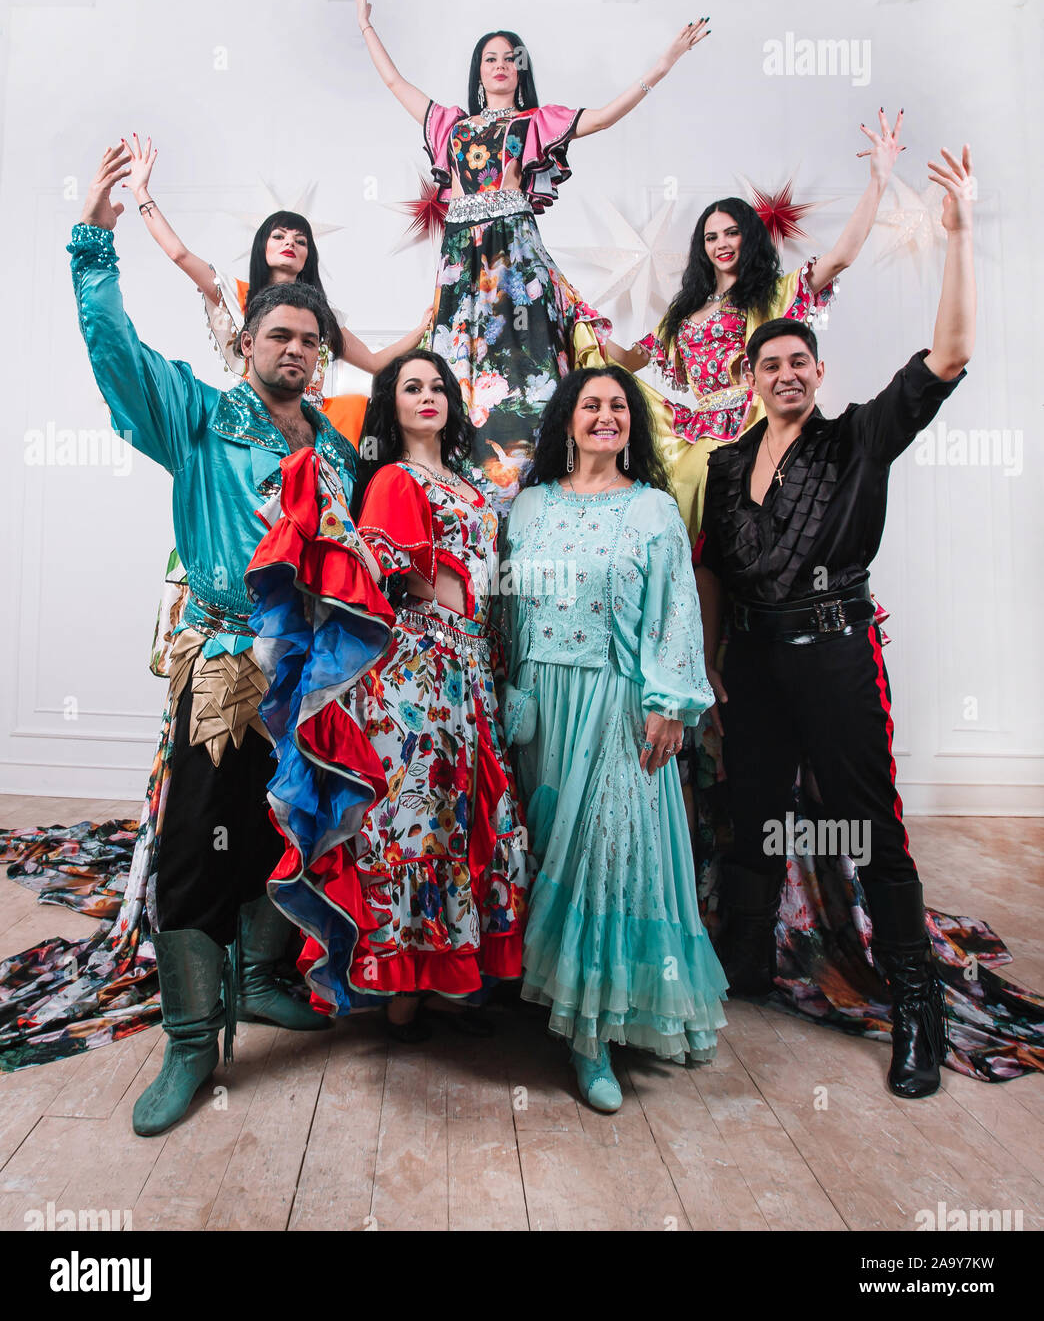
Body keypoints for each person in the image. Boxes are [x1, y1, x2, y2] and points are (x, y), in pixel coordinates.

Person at [68, 145, 391, 1136]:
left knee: (273, 831)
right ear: (247, 339)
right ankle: (187, 1043)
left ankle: (258, 977)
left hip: (309, 679)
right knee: (195, 853)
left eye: (310, 341)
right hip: (222, 666)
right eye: (280, 334)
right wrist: (96, 238)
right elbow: (116, 350)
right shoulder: (202, 419)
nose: (295, 350)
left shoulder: (331, 450)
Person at [693, 145, 977, 1099]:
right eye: (768, 362)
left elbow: (949, 358)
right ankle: (739, 969)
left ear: (817, 370)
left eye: (798, 361)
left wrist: (959, 234)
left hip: (838, 654)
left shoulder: (859, 436)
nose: (784, 373)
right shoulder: (727, 468)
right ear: (749, 376)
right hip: (755, 665)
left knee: (870, 827)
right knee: (754, 820)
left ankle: (916, 1009)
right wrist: (710, 662)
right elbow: (716, 574)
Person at [341, 0, 711, 513]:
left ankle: (537, 483)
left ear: (521, 70)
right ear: (478, 72)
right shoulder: (450, 126)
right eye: (491, 57)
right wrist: (365, 24)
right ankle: (461, 489)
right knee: (458, 364)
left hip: (515, 258)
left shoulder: (536, 122)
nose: (500, 64)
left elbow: (605, 117)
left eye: (511, 57)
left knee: (529, 365)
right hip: (462, 265)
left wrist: (664, 63)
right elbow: (397, 85)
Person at [245, 351, 533, 1041]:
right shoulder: (393, 481)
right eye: (412, 387)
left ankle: (439, 976)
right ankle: (398, 989)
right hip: (415, 673)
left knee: (462, 816)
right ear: (392, 405)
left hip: (468, 673)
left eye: (438, 387)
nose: (428, 396)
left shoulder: (467, 484)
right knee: (416, 818)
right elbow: (378, 578)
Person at [120, 133, 430, 675]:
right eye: (279, 234)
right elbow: (178, 253)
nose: (290, 243)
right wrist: (143, 194)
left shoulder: (322, 320)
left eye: (301, 238)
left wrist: (432, 319)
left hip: (310, 447)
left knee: (358, 411)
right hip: (246, 451)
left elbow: (379, 362)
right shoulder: (237, 296)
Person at [504, 366, 728, 1112]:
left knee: (607, 856)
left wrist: (669, 699)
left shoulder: (653, 510)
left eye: (619, 407)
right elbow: (505, 607)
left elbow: (677, 613)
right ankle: (540, 994)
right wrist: (506, 691)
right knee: (541, 851)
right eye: (592, 405)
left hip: (616, 704)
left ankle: (591, 1033)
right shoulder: (528, 506)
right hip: (540, 706)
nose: (607, 416)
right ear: (567, 418)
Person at [609, 110, 903, 541]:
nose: (721, 244)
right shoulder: (680, 318)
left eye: (730, 233)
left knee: (759, 525)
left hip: (758, 422)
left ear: (747, 236)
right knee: (688, 520)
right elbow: (622, 361)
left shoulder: (773, 295)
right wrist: (572, 315)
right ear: (701, 247)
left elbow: (839, 257)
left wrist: (878, 178)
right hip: (698, 435)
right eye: (711, 238)